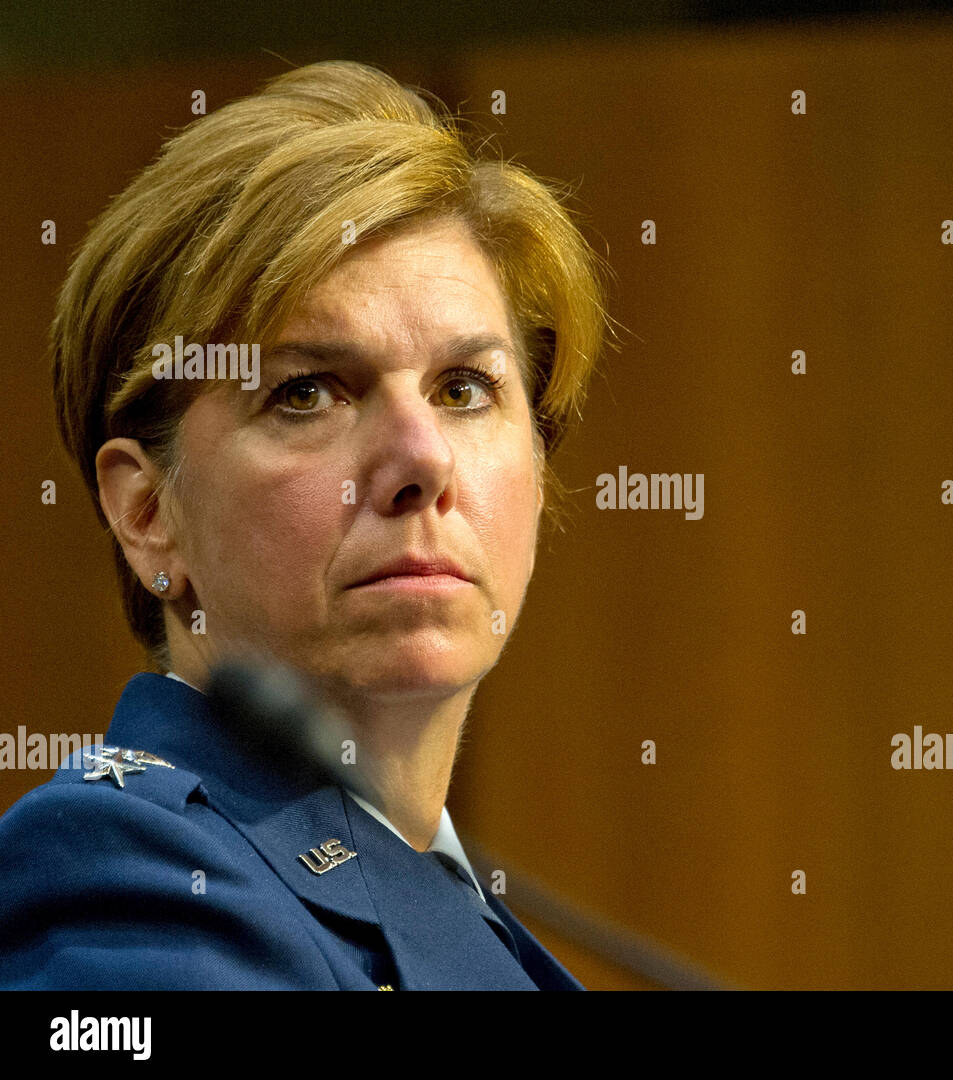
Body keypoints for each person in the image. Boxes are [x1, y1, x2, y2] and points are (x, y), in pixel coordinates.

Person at [0, 60, 610, 990]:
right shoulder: (125, 875)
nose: (420, 461)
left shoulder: (474, 923)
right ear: (148, 513)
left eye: (462, 388)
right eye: (307, 393)